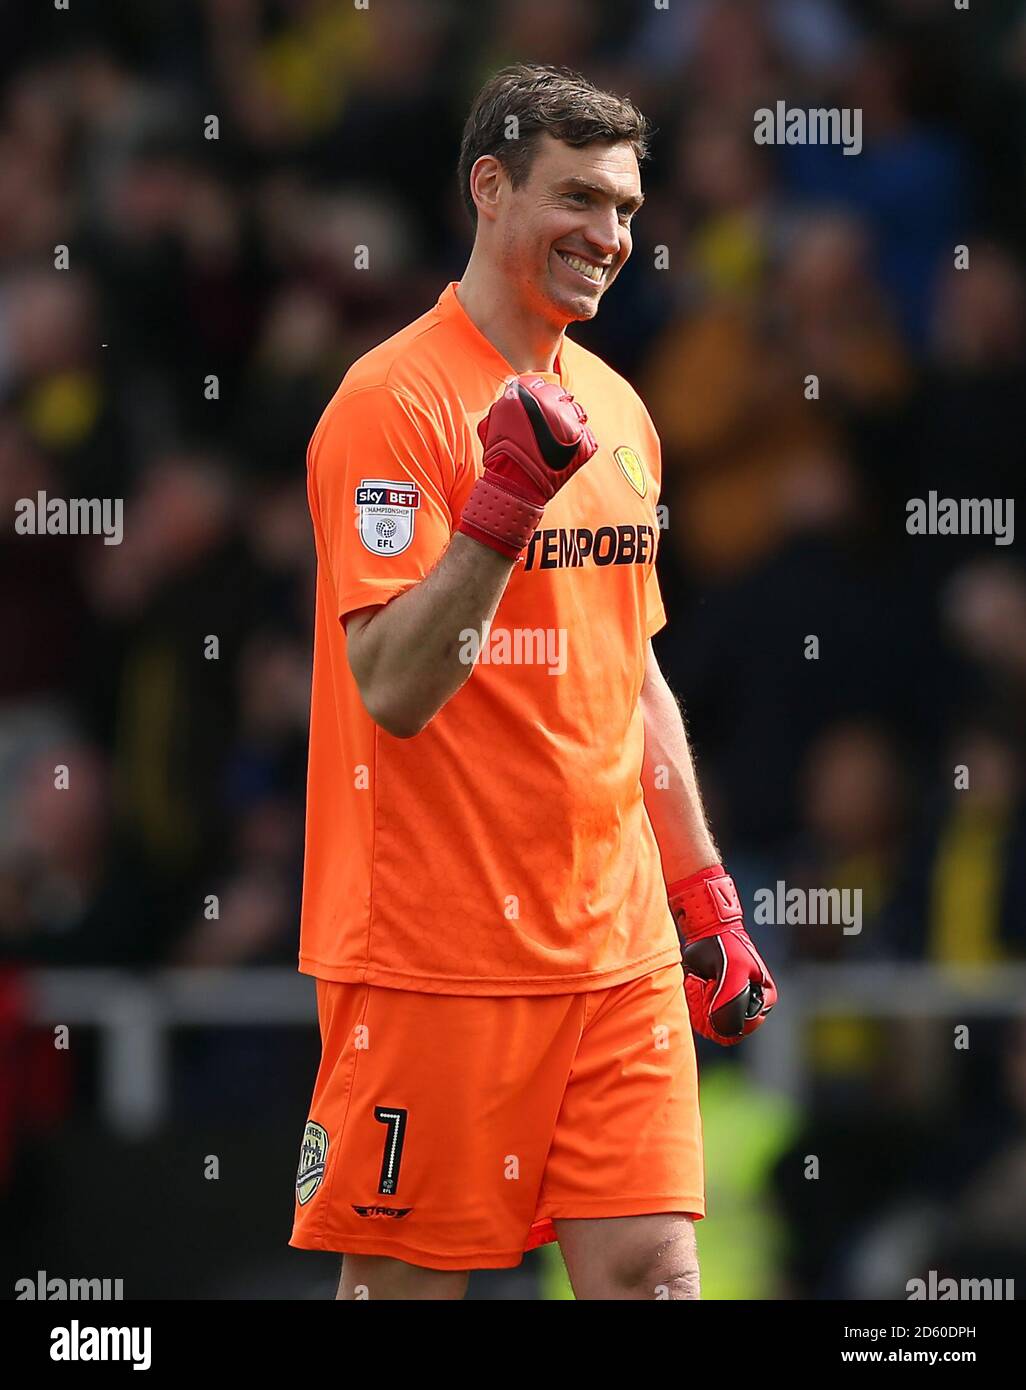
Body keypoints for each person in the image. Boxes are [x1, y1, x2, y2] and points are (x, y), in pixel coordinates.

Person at [289, 62, 776, 1301]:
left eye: (624, 206)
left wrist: (702, 888)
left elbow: (634, 669)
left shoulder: (618, 406)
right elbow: (392, 685)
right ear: (489, 187)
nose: (609, 236)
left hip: (615, 953)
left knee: (656, 1279)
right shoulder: (389, 403)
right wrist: (498, 511)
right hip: (432, 955)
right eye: (579, 198)